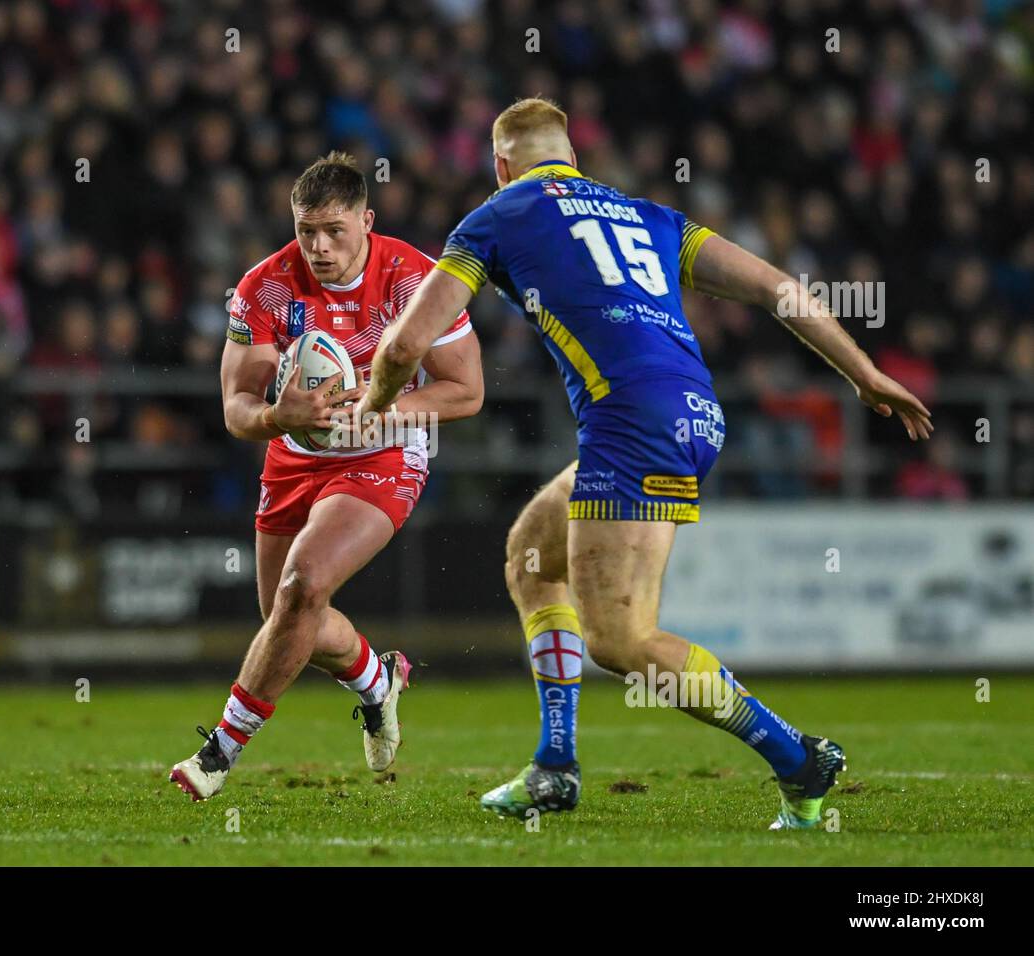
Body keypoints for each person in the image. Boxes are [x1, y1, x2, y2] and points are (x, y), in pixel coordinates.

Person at [355, 99, 932, 829]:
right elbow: (776, 288)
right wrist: (863, 373)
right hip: (689, 412)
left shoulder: (497, 216)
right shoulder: (649, 216)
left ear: (500, 166)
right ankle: (555, 765)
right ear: (572, 157)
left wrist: (373, 407)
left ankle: (798, 757)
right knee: (534, 551)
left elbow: (406, 346)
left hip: (633, 423)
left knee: (619, 640)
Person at [170, 153, 484, 801]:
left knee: (304, 584)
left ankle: (220, 750)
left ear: (367, 221)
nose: (318, 246)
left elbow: (466, 391)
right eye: (306, 230)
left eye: (335, 231)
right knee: (286, 616)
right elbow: (236, 408)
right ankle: (377, 680)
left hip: (386, 448)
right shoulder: (265, 287)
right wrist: (276, 415)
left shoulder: (416, 279)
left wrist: (381, 410)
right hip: (295, 451)